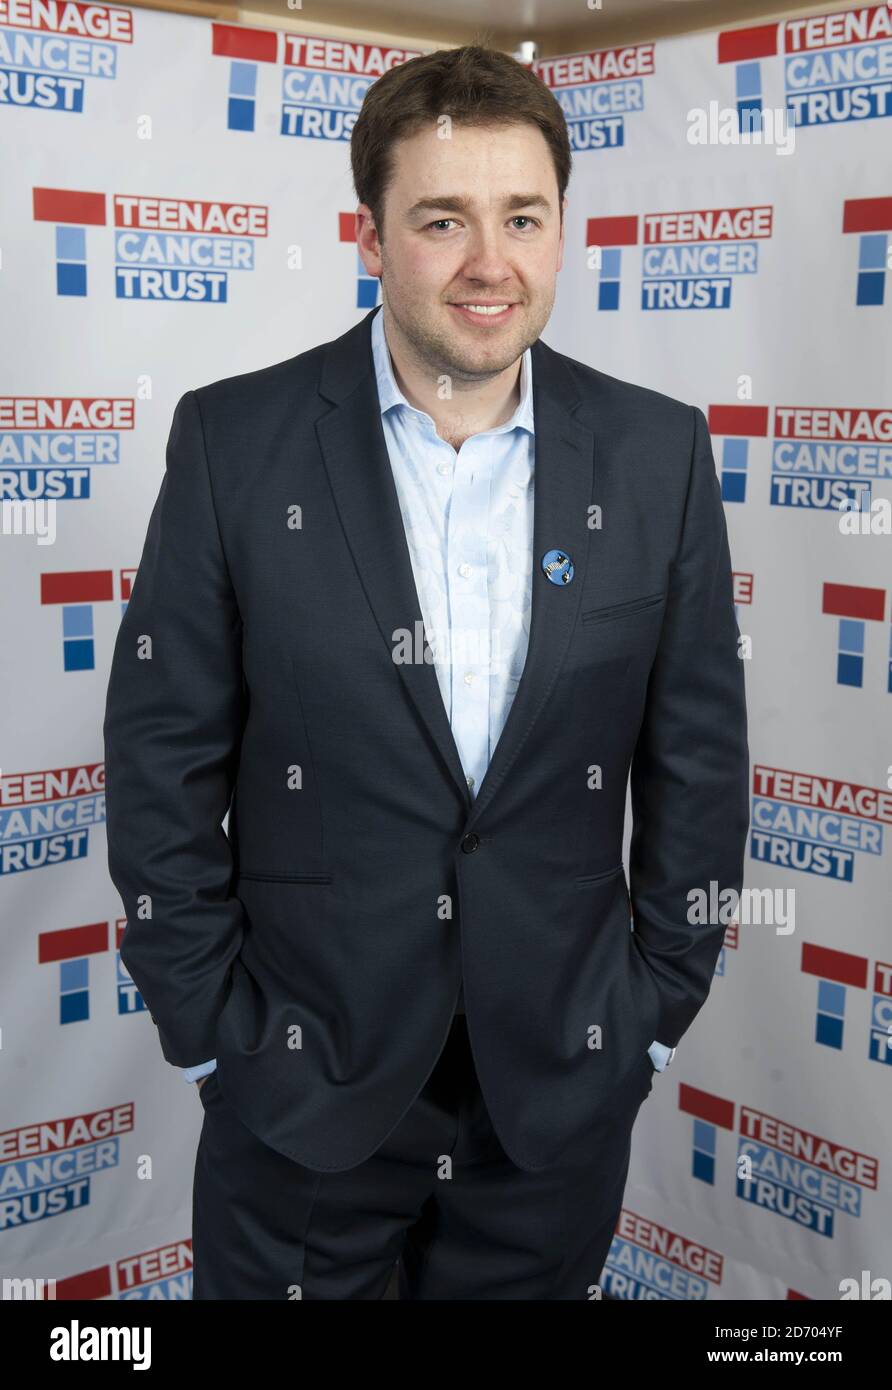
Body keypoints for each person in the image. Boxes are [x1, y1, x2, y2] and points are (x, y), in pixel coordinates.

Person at [103, 44, 749, 1300]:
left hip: (556, 1092)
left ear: (563, 229)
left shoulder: (656, 451)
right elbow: (159, 758)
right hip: (301, 1089)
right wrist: (211, 1043)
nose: (488, 263)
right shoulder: (235, 441)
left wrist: (654, 1016)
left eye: (523, 217)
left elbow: (699, 764)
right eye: (442, 219)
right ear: (371, 236)